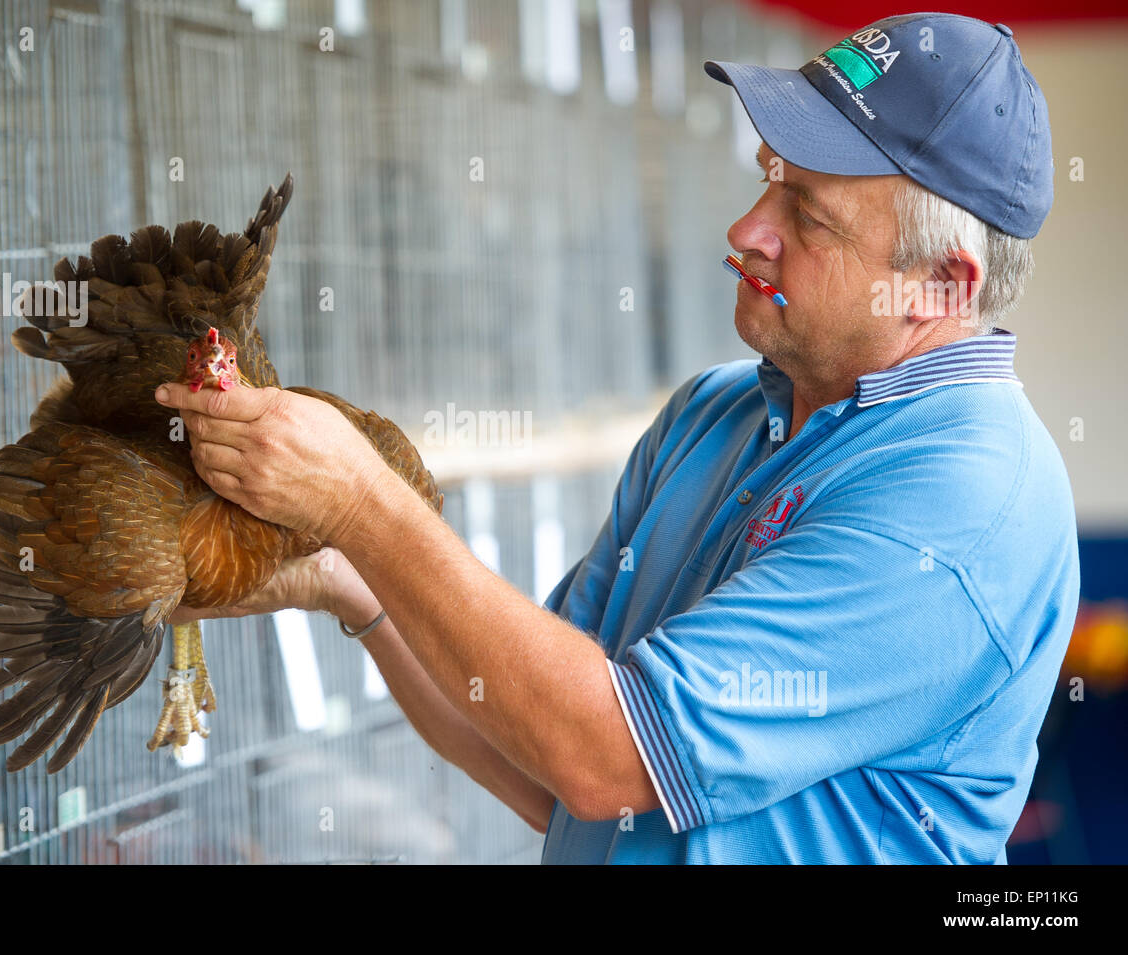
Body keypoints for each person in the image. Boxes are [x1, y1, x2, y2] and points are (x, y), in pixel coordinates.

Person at [156, 12, 1079, 864]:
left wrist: (362, 500)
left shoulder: (961, 504)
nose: (747, 231)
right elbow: (536, 746)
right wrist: (345, 573)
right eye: (771, 182)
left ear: (941, 286)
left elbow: (604, 752)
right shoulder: (714, 415)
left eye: (809, 218)